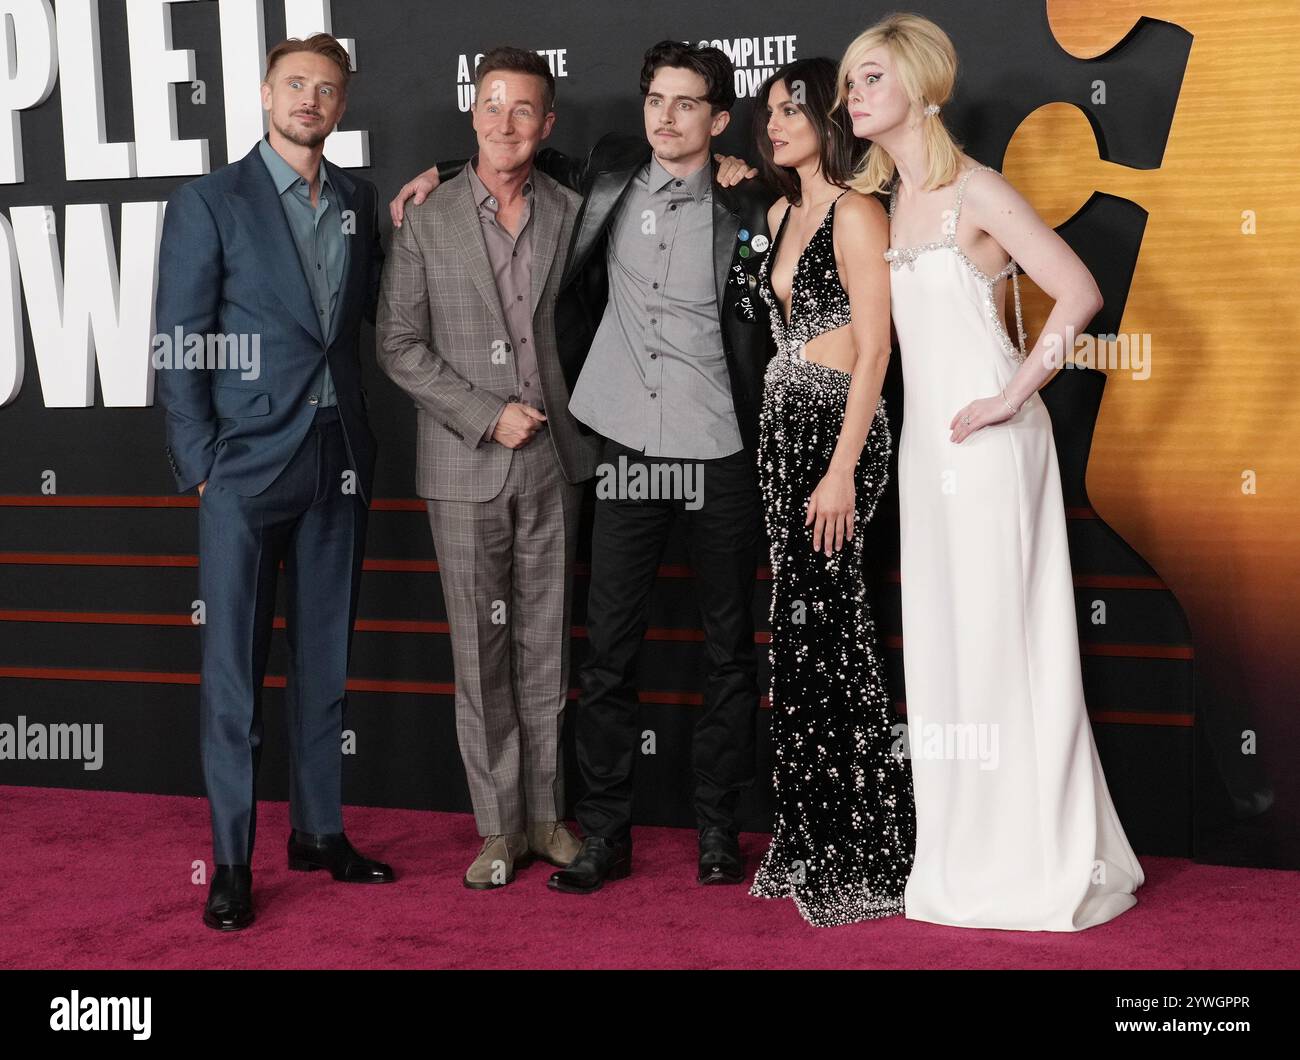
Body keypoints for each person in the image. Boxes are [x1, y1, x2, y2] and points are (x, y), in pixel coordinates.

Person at [390, 41, 775, 892]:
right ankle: (602, 830)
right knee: (607, 655)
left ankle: (718, 828)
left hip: (720, 451)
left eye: (687, 105)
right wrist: (437, 170)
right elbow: (513, 150)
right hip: (626, 447)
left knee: (726, 649)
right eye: (656, 101)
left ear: (718, 120)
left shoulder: (752, 202)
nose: (666, 118)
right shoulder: (609, 173)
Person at [837, 13, 1144, 930]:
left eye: (872, 78)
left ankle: (1037, 860)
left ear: (922, 88)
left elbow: (1080, 291)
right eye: (851, 82)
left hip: (993, 446)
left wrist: (1014, 395)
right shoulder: (889, 204)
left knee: (1006, 647)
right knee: (946, 651)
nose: (855, 96)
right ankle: (966, 857)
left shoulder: (976, 190)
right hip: (930, 452)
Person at [155, 33, 392, 931]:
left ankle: (319, 832)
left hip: (339, 456)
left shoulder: (361, 201)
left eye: (327, 89)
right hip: (245, 468)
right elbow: (177, 344)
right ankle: (230, 860)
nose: (310, 99)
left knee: (325, 663)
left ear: (340, 105)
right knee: (234, 678)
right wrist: (204, 468)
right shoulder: (209, 201)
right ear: (264, 93)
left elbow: (366, 316)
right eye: (296, 84)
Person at [376, 47, 599, 889]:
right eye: (492, 106)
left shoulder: (573, 209)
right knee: (482, 654)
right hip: (466, 462)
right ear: (473, 110)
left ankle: (547, 818)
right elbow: (396, 343)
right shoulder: (425, 221)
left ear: (546, 124)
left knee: (546, 648)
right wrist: (483, 413)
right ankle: (497, 829)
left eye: (523, 111)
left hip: (553, 460)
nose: (505, 124)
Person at [746, 57, 916, 927]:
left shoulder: (858, 211)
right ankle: (810, 831)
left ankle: (862, 841)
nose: (774, 124)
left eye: (791, 110)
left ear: (828, 117)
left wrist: (844, 465)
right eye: (768, 112)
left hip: (836, 438)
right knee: (796, 636)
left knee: (834, 623)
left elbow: (878, 352)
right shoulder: (778, 212)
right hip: (781, 436)